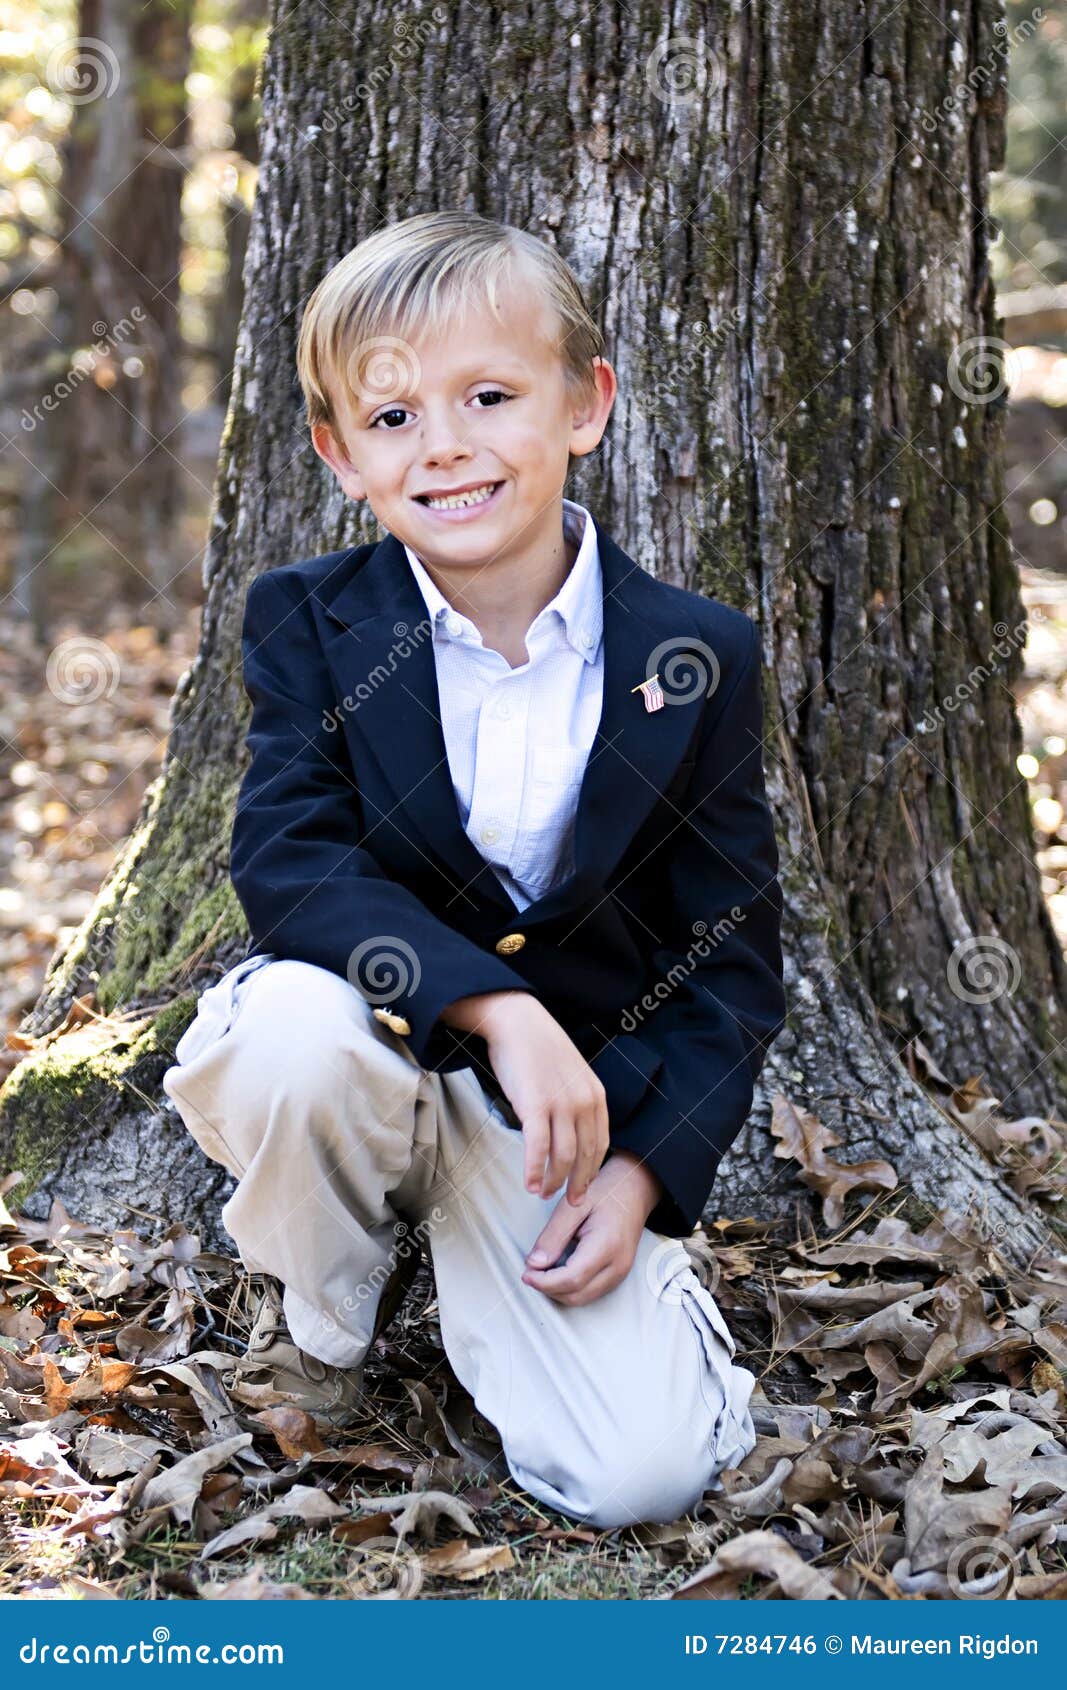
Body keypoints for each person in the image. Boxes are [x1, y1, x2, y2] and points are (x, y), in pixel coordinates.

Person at [162, 208, 786, 1530]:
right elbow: (289, 857)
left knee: (644, 1478)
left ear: (586, 404)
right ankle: (327, 1329)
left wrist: (647, 1172)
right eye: (391, 420)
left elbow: (730, 957)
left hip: (556, 1133)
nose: (442, 444)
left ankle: (506, 1288)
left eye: (489, 396)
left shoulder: (697, 656)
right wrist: (496, 1008)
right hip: (365, 1048)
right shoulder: (311, 623)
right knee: (290, 1035)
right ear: (340, 456)